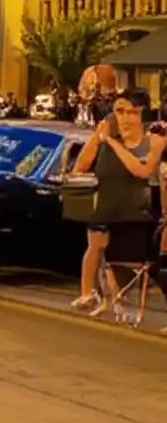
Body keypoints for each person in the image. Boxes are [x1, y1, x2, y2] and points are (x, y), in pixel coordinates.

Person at [71, 88, 165, 313]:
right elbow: (81, 165)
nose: (124, 118)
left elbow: (142, 171)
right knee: (96, 243)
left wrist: (113, 143)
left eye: (131, 112)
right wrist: (98, 138)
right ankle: (88, 294)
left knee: (130, 261)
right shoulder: (105, 135)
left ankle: (115, 296)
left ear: (142, 114)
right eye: (119, 112)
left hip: (135, 212)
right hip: (105, 205)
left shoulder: (154, 140)